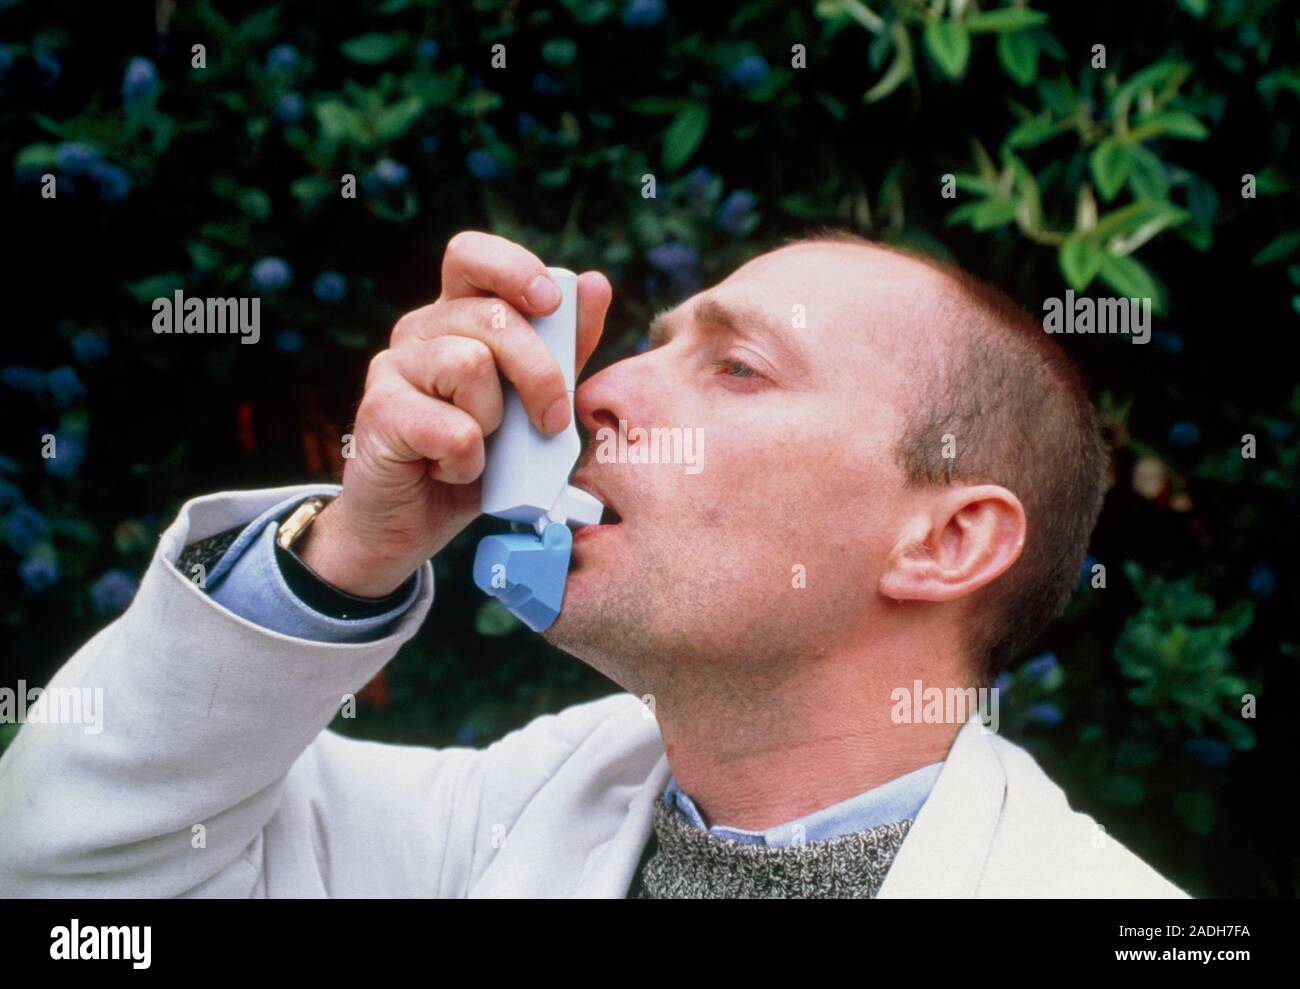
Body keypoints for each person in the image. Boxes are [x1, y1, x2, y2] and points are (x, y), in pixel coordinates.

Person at [0, 230, 1188, 898]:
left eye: (736, 368)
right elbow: (69, 868)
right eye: (651, 345)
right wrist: (347, 555)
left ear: (945, 540)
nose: (605, 387)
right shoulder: (484, 823)